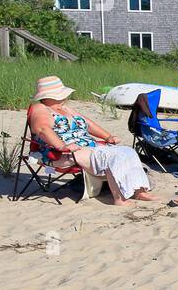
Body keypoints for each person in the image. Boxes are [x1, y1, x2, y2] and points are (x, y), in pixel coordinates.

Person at [28, 76, 158, 206]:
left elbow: (88, 124)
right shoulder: (40, 108)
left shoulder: (65, 109)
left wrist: (107, 137)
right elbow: (42, 129)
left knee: (128, 152)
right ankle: (119, 198)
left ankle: (140, 191)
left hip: (87, 146)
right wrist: (62, 146)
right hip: (61, 153)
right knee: (110, 157)